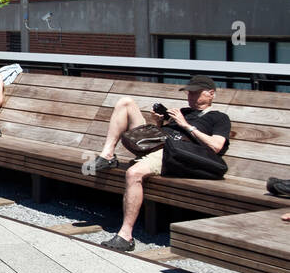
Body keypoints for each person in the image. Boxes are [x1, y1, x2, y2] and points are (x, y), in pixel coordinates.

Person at [89, 75, 231, 252]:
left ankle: (126, 236)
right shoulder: (185, 111)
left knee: (133, 173)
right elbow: (165, 132)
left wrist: (185, 125)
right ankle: (108, 154)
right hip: (155, 141)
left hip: (173, 153)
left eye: (196, 93)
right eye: (189, 93)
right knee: (125, 102)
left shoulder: (219, 117)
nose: (190, 97)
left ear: (211, 94)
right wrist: (158, 121)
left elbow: (216, 146)